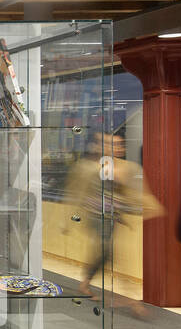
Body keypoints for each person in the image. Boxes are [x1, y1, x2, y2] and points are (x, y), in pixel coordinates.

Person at [66, 127, 161, 300]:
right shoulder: (101, 166)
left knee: (105, 252)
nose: (117, 148)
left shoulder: (120, 166)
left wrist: (126, 212)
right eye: (112, 144)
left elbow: (123, 193)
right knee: (108, 251)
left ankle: (86, 283)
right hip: (96, 216)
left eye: (119, 144)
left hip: (112, 217)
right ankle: (129, 297)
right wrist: (70, 220)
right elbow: (84, 189)